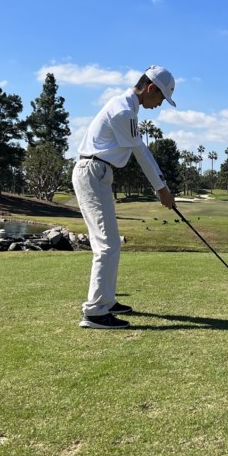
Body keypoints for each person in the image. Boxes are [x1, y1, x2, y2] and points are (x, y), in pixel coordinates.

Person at [73, 65, 177, 329]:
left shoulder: (126, 108)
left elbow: (140, 151)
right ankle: (95, 312)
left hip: (99, 173)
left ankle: (106, 300)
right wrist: (161, 188)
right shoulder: (123, 110)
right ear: (151, 88)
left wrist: (161, 187)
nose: (160, 104)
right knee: (106, 245)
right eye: (161, 98)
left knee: (112, 244)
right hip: (92, 172)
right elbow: (141, 153)